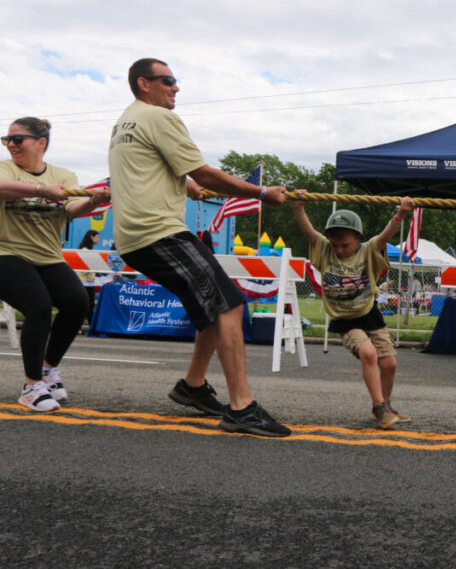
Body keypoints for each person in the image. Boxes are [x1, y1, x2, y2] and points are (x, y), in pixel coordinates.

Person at [108, 58, 291, 437]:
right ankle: (241, 407)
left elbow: (146, 168)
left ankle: (192, 387)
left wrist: (183, 183)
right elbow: (205, 173)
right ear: (144, 83)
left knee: (211, 308)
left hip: (136, 235)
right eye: (168, 80)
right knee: (230, 303)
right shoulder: (160, 118)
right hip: (158, 232)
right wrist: (261, 193)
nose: (176, 88)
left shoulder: (126, 120)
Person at [0, 117, 111, 411]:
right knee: (38, 305)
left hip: (47, 256)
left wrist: (94, 201)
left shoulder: (63, 175)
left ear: (41, 143)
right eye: (7, 139)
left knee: (77, 303)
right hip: (6, 252)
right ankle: (31, 386)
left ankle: (48, 371)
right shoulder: (5, 168)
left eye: (18, 139)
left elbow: (73, 208)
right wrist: (40, 190)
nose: (10, 144)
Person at [292, 193, 414, 428]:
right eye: (335, 244)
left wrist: (401, 213)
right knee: (368, 354)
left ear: (358, 238)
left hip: (369, 313)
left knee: (390, 363)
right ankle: (379, 406)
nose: (339, 250)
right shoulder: (326, 251)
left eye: (345, 245)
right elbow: (310, 233)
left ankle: (386, 405)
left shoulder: (367, 251)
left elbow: (384, 237)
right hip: (344, 318)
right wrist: (299, 208)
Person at [77, 229, 101, 327]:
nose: (99, 239)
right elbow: (85, 268)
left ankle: (91, 325)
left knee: (90, 305)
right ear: (91, 237)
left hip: (89, 282)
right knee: (86, 305)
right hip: (84, 282)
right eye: (97, 237)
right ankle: (86, 325)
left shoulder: (89, 250)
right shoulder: (85, 251)